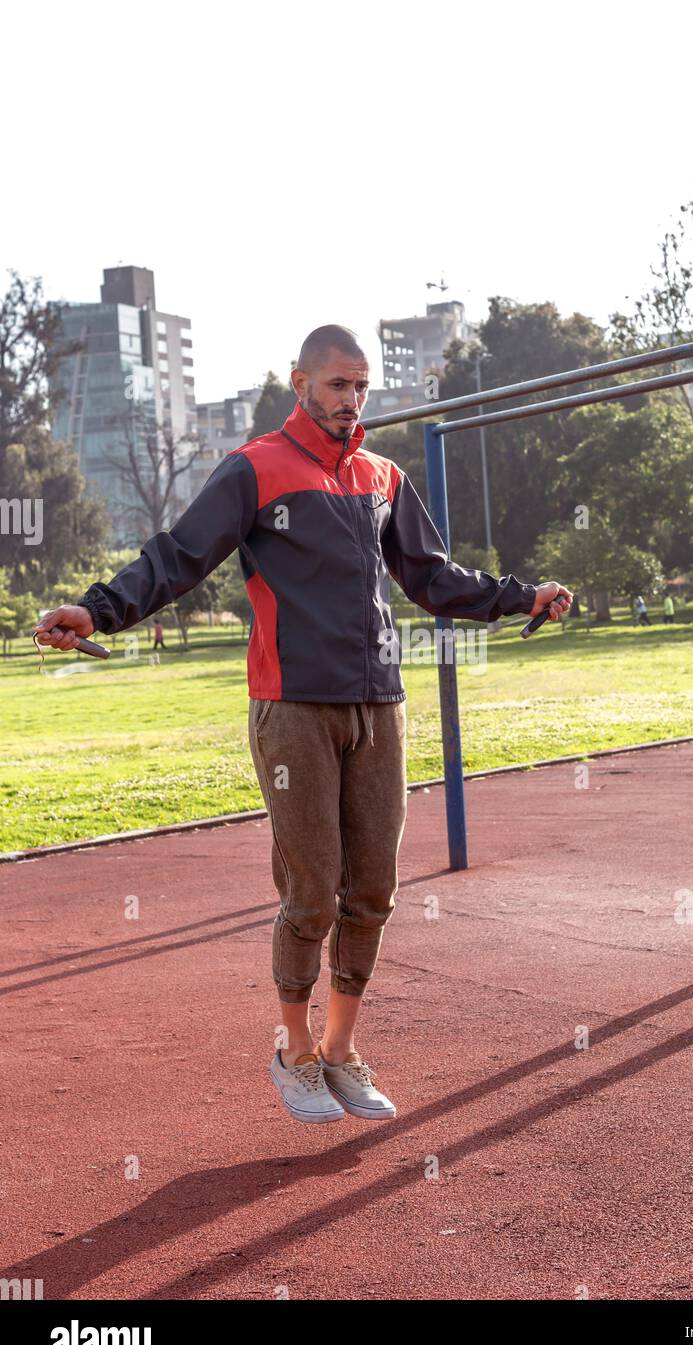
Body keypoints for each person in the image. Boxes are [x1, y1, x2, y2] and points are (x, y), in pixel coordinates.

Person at [34, 324, 573, 1127]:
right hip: (292, 710)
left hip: (377, 706)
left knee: (376, 888)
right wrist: (100, 609)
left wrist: (518, 594)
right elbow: (177, 556)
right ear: (301, 383)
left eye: (361, 386)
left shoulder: (381, 475)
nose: (350, 400)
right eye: (337, 386)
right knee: (311, 890)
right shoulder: (253, 469)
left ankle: (340, 1050)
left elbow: (431, 577)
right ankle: (291, 1051)